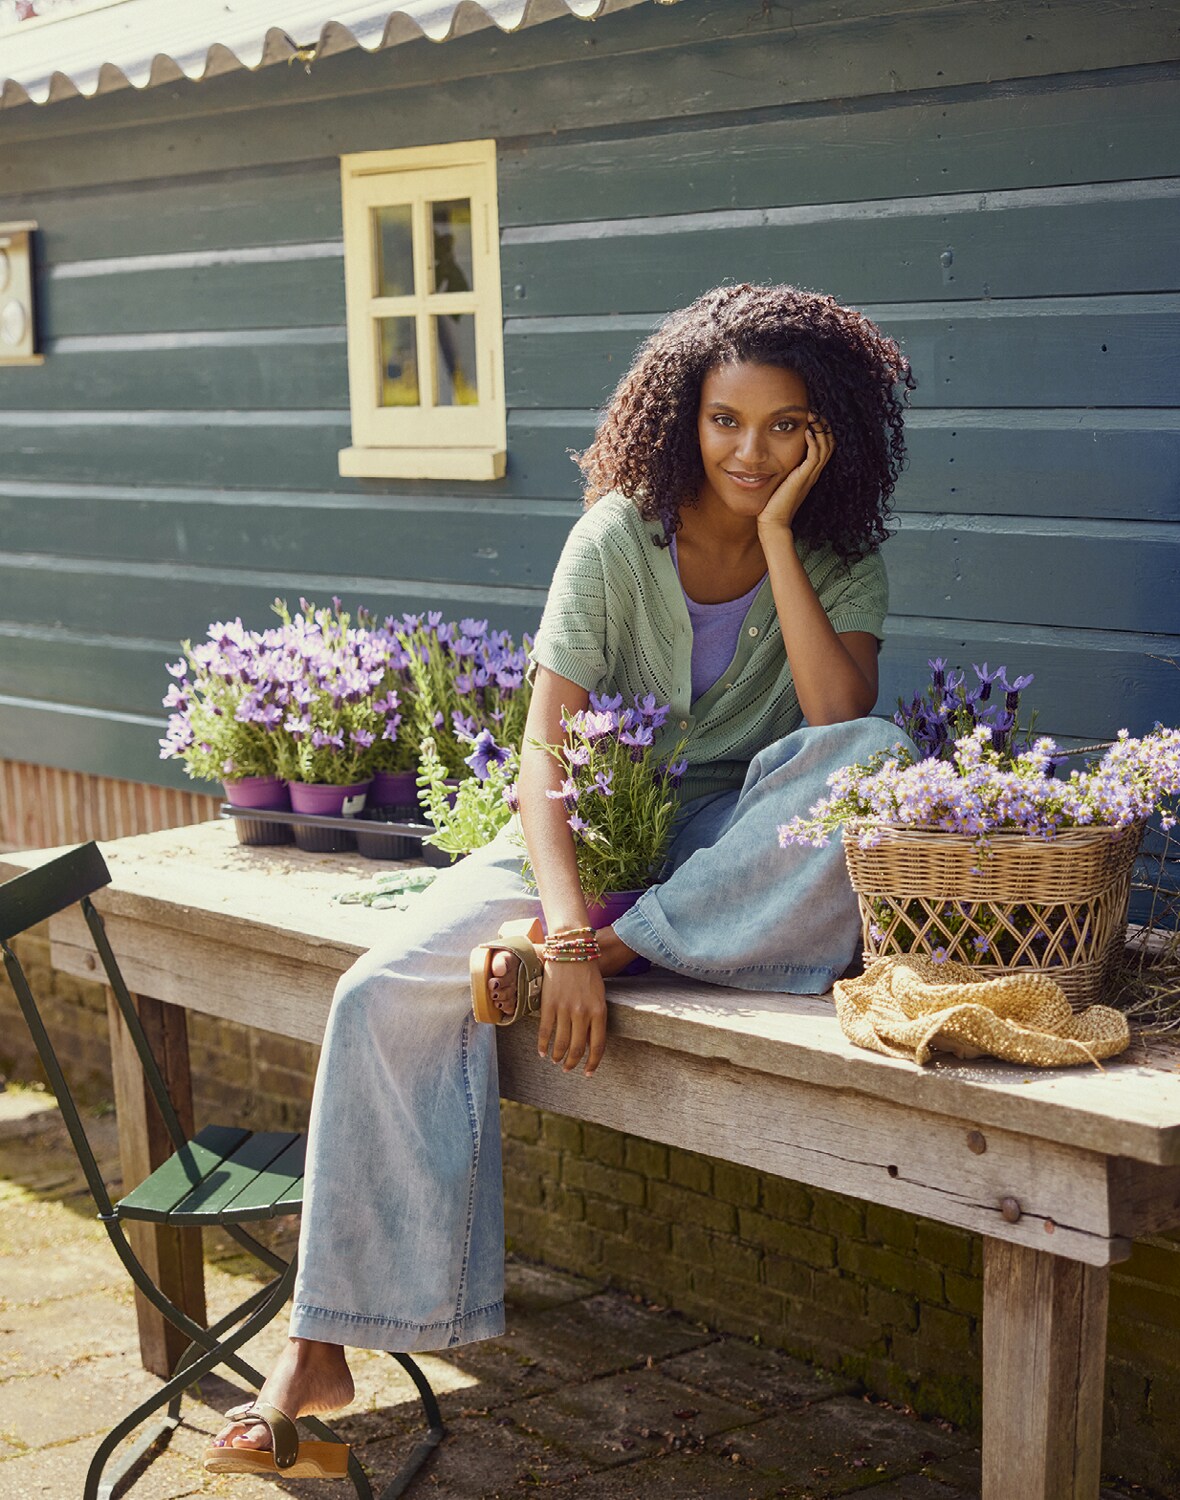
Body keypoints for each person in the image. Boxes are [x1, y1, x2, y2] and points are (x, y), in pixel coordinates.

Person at [207, 282, 913, 1476]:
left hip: (727, 844)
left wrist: (779, 539)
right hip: (587, 835)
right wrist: (569, 924)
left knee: (874, 762)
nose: (750, 451)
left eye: (784, 425)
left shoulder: (839, 554)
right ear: (683, 418)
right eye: (725, 420)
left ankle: (634, 942)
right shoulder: (615, 538)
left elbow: (836, 718)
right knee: (375, 994)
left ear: (824, 432)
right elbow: (542, 756)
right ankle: (317, 1346)